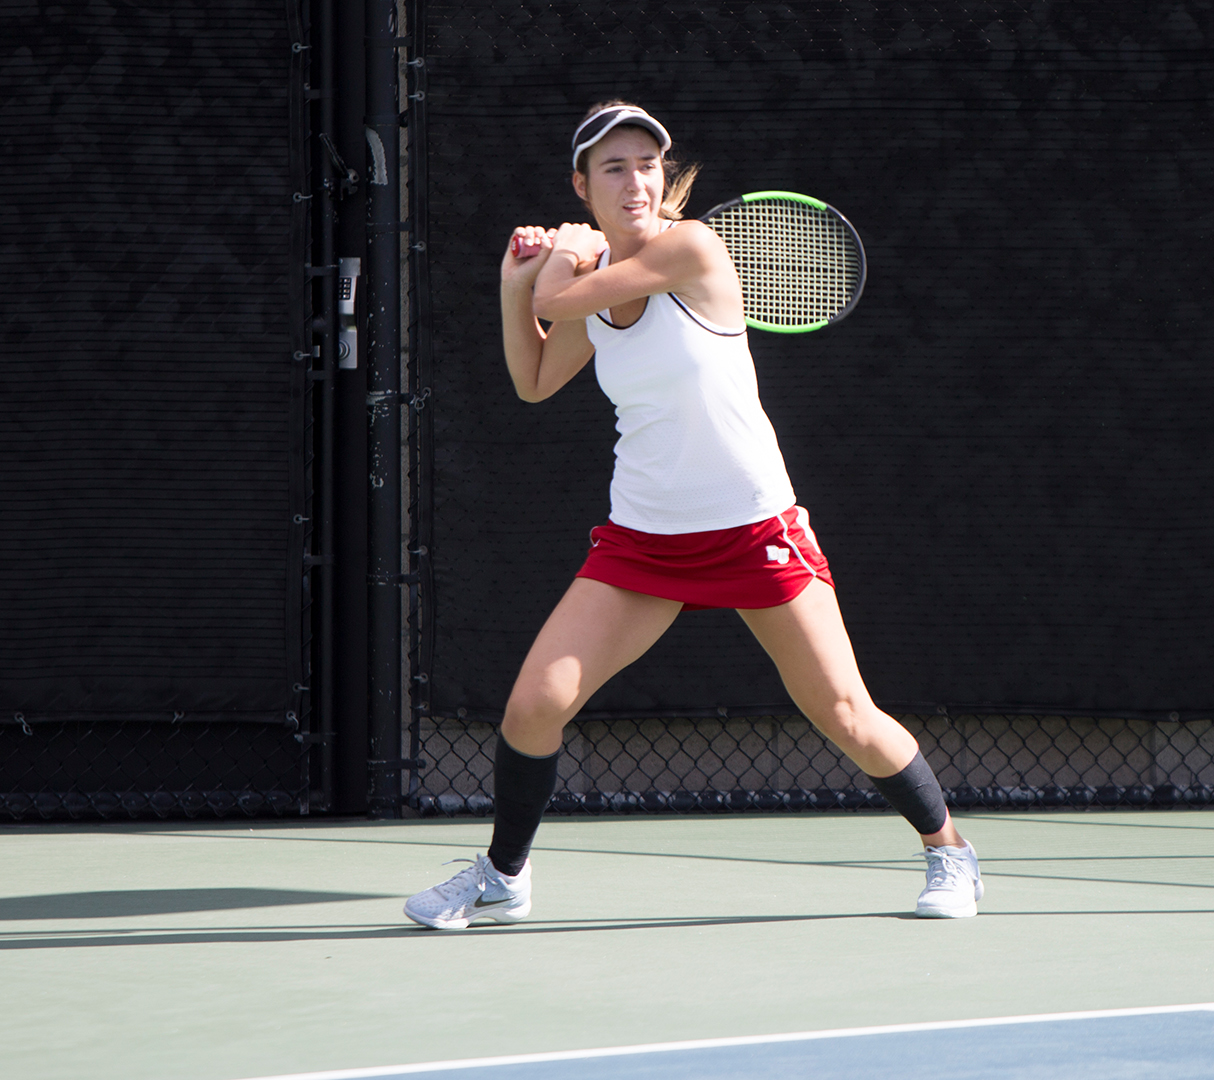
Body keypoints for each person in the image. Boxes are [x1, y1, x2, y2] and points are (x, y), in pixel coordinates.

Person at [403, 101, 982, 929]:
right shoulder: (593, 283)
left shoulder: (692, 248)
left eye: (648, 164)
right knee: (534, 706)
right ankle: (504, 874)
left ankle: (949, 850)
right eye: (614, 167)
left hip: (753, 530)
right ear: (582, 185)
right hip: (643, 541)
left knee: (844, 713)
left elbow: (561, 299)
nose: (636, 181)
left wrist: (555, 262)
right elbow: (533, 378)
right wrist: (512, 286)